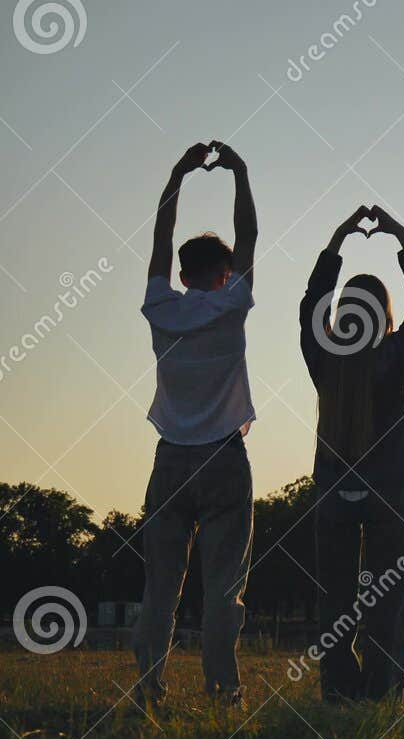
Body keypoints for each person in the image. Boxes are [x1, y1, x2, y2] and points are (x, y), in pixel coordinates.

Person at [300, 205, 404, 703]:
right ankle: (380, 693)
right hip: (385, 489)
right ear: (385, 316)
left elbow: (310, 300)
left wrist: (338, 240)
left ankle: (339, 689)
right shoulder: (394, 358)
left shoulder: (323, 356)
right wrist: (400, 237)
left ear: (340, 316)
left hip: (333, 487)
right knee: (387, 598)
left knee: (334, 596)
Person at [133, 140, 258, 709]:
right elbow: (250, 234)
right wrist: (239, 173)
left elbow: (160, 240)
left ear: (181, 273)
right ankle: (221, 689)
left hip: (170, 457)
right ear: (226, 273)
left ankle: (149, 687)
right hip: (223, 458)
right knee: (222, 586)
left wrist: (178, 175)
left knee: (161, 586)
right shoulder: (230, 306)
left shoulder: (162, 307)